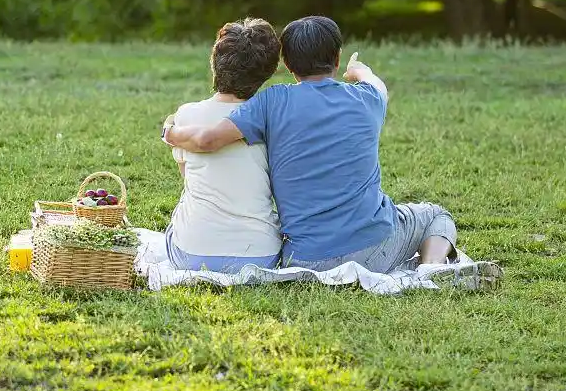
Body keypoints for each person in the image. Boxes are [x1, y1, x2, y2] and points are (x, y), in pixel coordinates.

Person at [166, 16, 492, 283]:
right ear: (336, 60)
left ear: (288, 65)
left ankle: (429, 271)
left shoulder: (271, 101)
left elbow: (209, 139)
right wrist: (359, 71)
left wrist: (172, 133)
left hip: (306, 258)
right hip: (376, 247)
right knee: (434, 214)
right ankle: (431, 269)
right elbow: (378, 84)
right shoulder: (368, 99)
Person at [160, 17, 284, 273]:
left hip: (192, 254)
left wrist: (170, 132)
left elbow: (187, 177)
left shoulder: (186, 115)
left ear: (215, 61)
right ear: (269, 71)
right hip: (261, 255)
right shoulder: (271, 118)